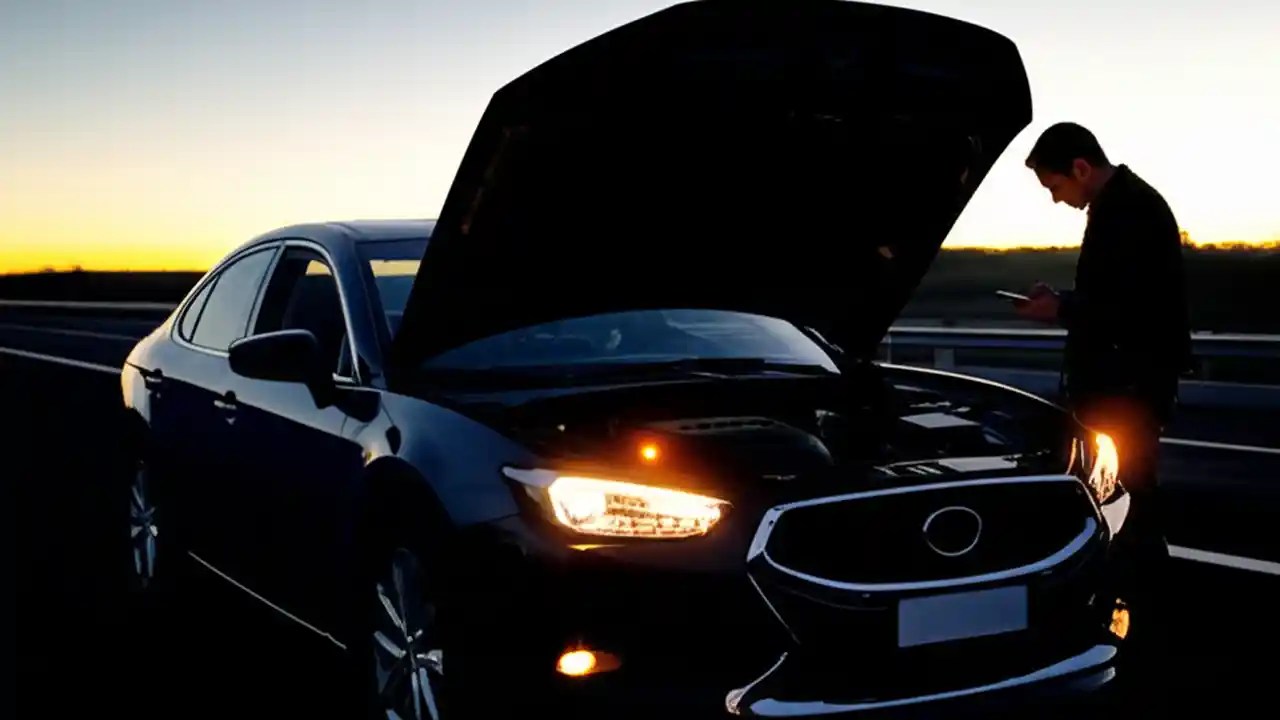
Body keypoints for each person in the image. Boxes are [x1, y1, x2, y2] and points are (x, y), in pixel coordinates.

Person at [1014, 122, 1191, 690]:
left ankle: (1145, 628)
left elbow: (1128, 308)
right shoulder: (1127, 206)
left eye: (1053, 185)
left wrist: (1061, 311)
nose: (1055, 198)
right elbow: (1118, 300)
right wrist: (1064, 303)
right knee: (1122, 496)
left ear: (1081, 168)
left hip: (1127, 387)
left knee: (1127, 498)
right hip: (1124, 382)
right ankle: (1139, 615)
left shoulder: (1129, 211)